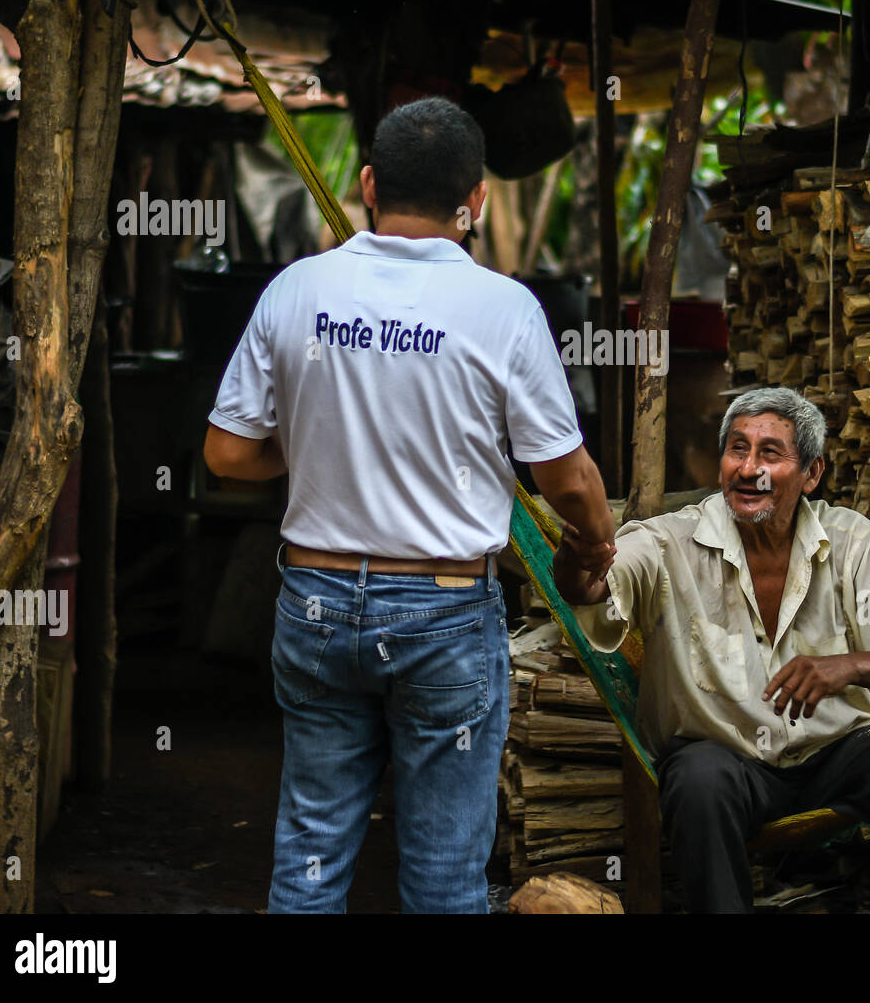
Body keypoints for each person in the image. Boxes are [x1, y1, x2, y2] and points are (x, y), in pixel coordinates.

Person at [204, 96, 615, 913]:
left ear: (366, 185)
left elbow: (226, 455)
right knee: (443, 880)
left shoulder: (297, 291)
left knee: (309, 862)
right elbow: (563, 479)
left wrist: (321, 440)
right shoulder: (504, 310)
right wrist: (596, 544)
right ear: (479, 200)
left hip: (315, 608)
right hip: (445, 614)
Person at [551, 386, 870, 913]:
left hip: (836, 754)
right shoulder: (666, 543)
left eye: (770, 453)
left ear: (812, 473)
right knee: (697, 780)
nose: (748, 469)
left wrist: (846, 667)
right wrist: (578, 557)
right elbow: (592, 590)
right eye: (737, 449)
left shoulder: (852, 543)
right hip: (727, 764)